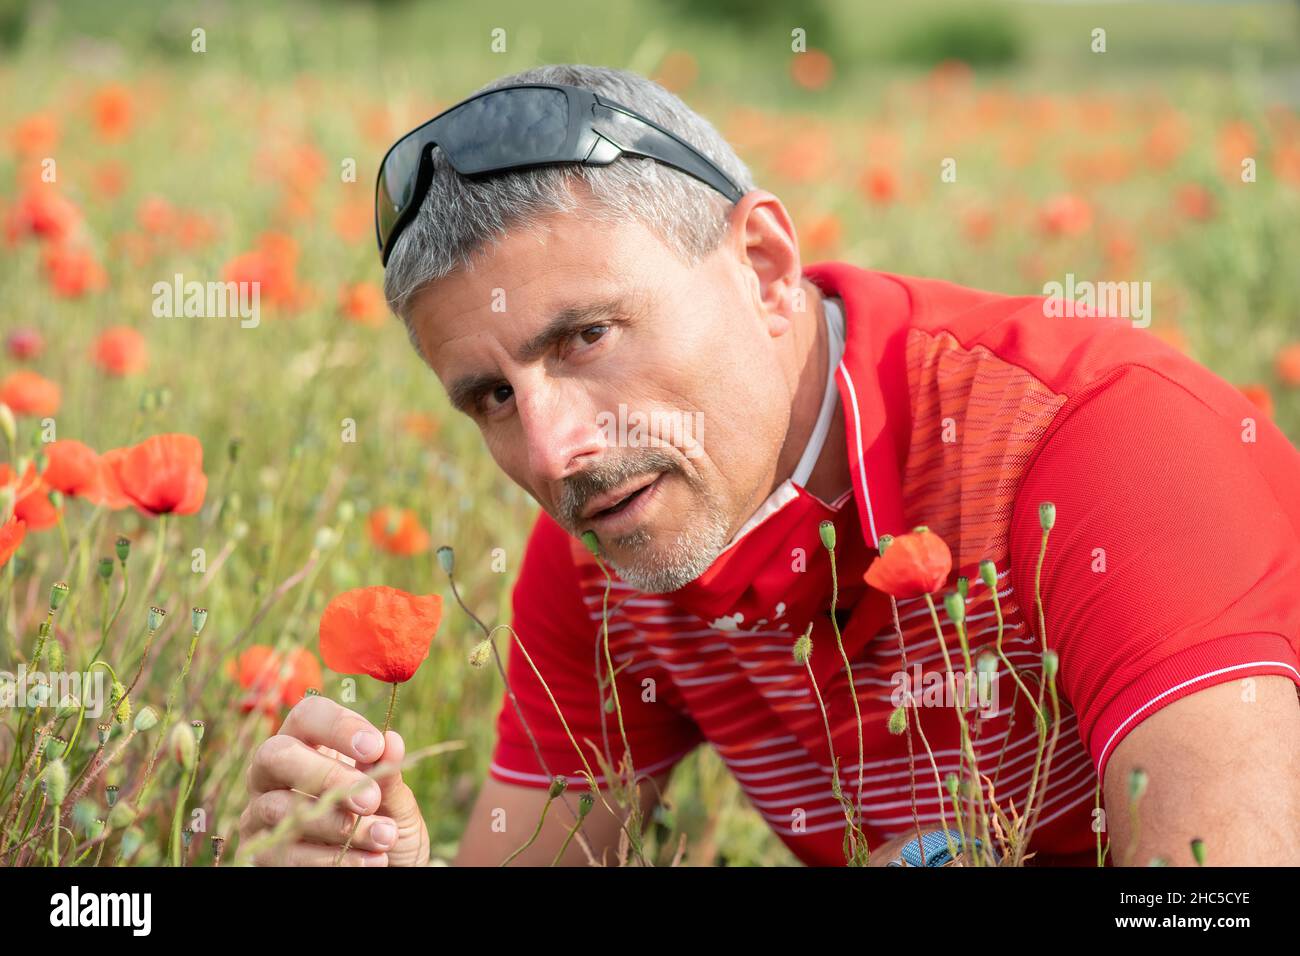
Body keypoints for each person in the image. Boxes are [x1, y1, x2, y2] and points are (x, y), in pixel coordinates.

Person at [238, 64, 1300, 867]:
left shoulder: (1092, 444)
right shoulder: (613, 548)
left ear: (764, 267)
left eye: (587, 337)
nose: (555, 451)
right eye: (491, 396)